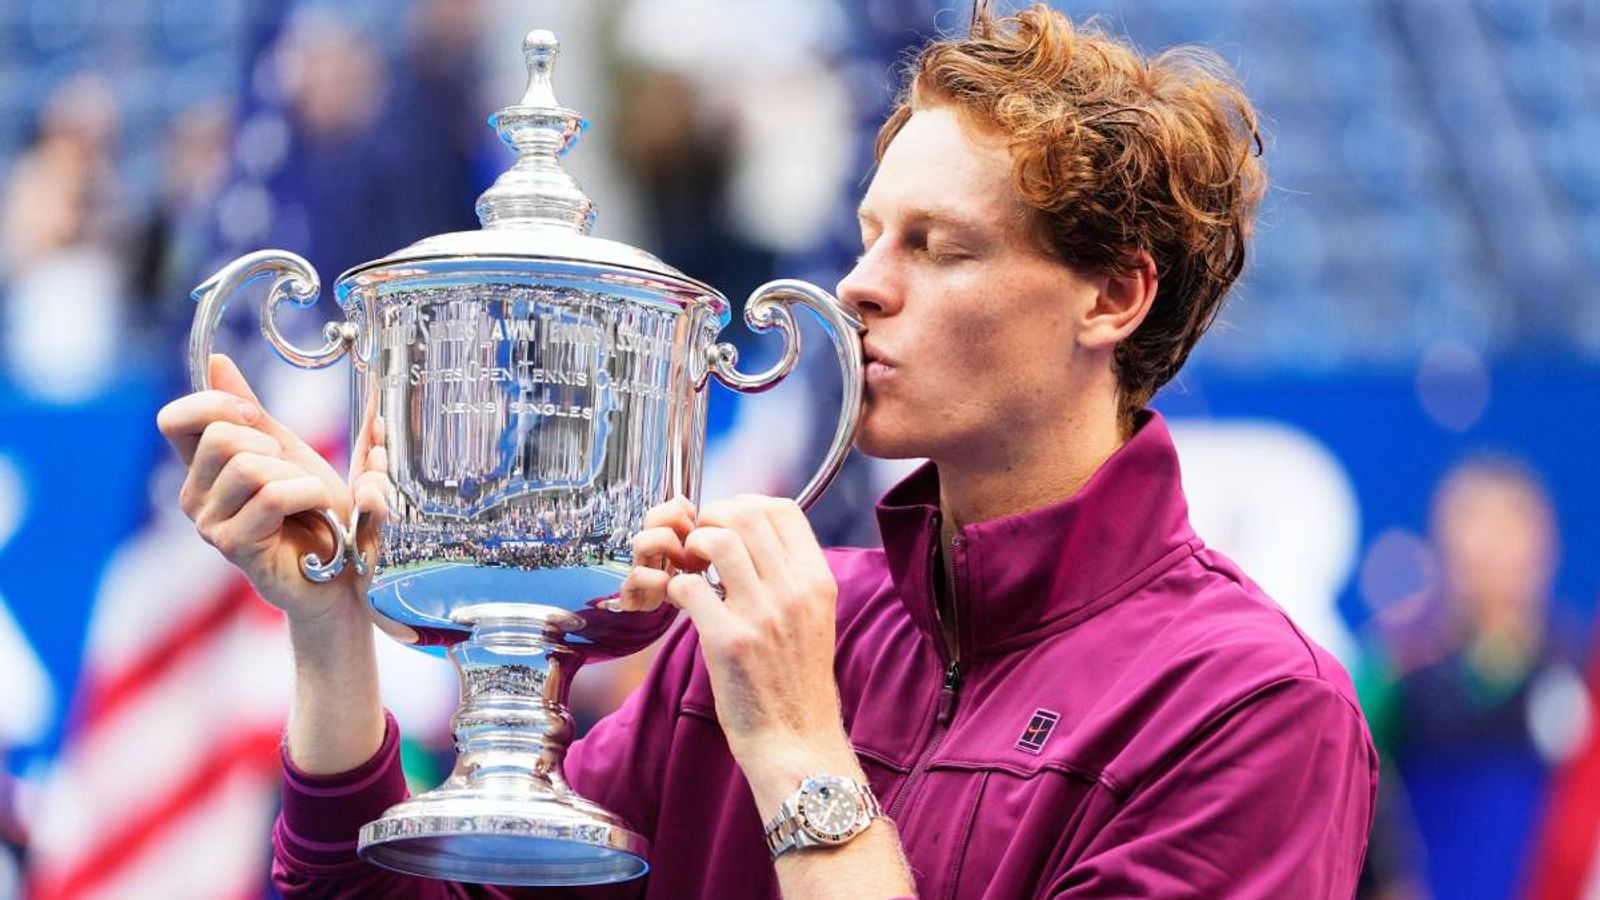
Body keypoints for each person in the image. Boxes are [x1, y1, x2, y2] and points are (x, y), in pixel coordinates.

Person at [156, 6, 1377, 897]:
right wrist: (328, 632)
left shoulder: (1250, 708)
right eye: (869, 236)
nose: (860, 286)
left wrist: (797, 749)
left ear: (1111, 297)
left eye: (937, 248)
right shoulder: (758, 638)